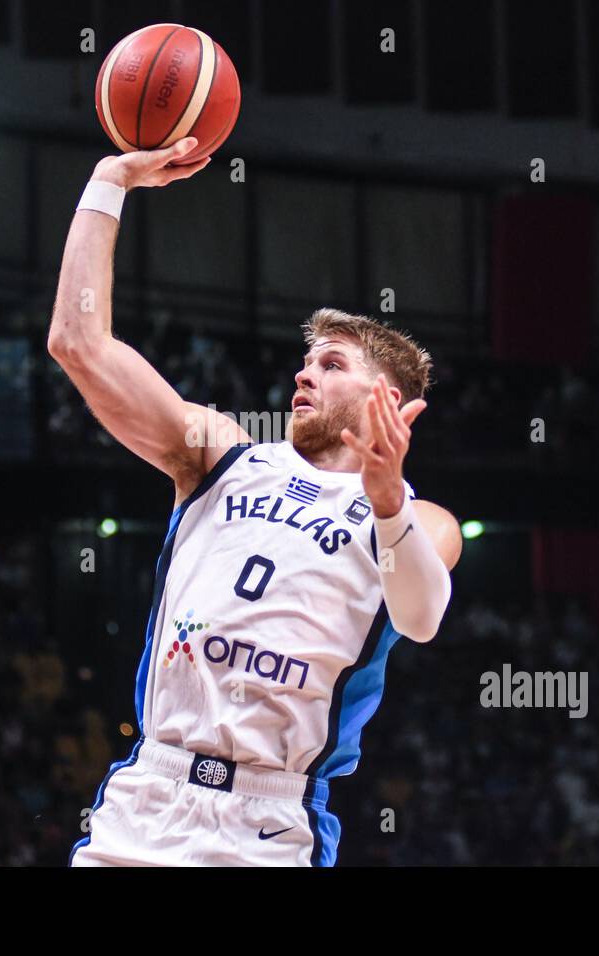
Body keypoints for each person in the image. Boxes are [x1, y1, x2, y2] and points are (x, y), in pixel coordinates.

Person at [49, 137, 462, 866]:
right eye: (305, 362)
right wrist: (109, 181)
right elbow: (79, 342)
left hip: (270, 822)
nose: (303, 377)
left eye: (330, 365)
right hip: (148, 796)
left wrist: (388, 499)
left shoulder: (417, 519)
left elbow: (422, 618)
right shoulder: (222, 455)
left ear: (385, 400)